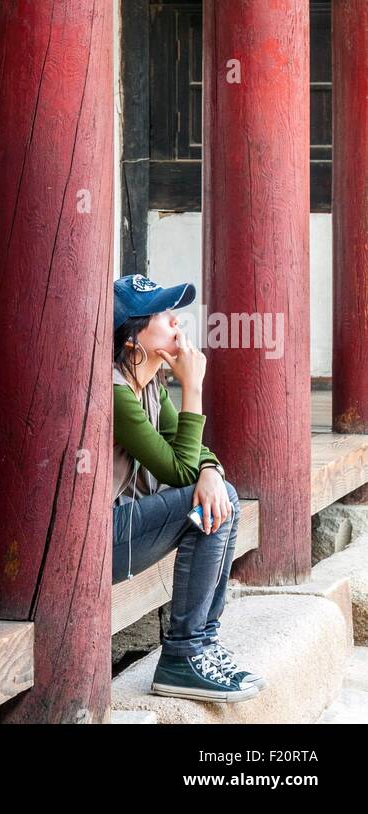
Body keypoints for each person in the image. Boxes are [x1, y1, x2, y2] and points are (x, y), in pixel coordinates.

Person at [112, 273, 265, 703]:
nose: (176, 322)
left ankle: (202, 645)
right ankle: (183, 654)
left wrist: (212, 469)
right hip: (96, 543)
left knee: (222, 495)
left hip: (122, 530)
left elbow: (193, 454)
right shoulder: (116, 392)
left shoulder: (150, 385)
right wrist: (193, 386)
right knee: (215, 500)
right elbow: (182, 469)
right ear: (132, 341)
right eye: (162, 314)